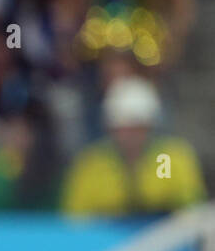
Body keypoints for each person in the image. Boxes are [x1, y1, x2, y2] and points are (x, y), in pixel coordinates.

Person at [61, 76, 205, 217]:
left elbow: (193, 210)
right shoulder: (91, 163)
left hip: (165, 237)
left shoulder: (171, 158)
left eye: (137, 128)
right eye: (122, 128)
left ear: (150, 126)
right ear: (110, 129)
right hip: (108, 239)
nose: (129, 136)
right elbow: (75, 220)